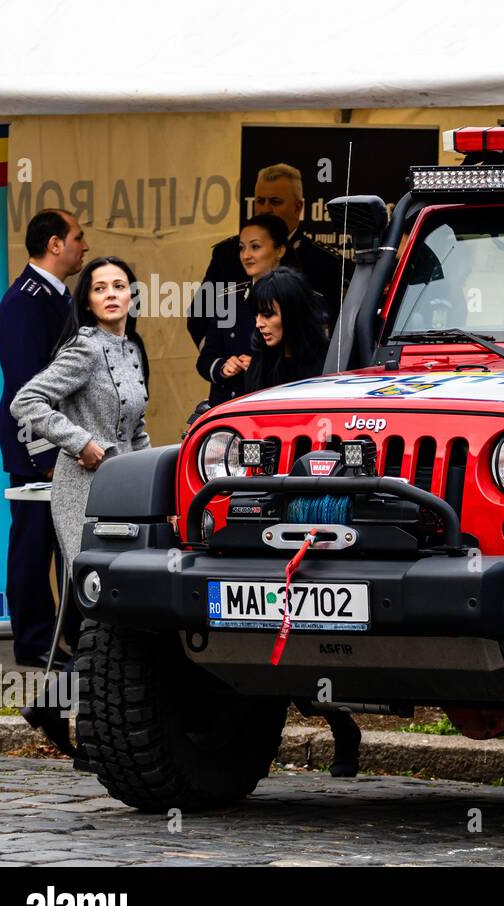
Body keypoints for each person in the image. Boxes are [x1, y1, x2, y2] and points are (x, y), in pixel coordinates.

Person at [11, 256, 150, 755]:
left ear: (132, 294)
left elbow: (134, 430)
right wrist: (79, 442)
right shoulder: (82, 350)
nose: (111, 294)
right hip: (83, 494)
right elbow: (26, 402)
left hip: (125, 495)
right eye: (100, 288)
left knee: (121, 613)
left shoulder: (132, 348)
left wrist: (151, 476)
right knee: (100, 612)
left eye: (119, 286)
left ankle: (55, 709)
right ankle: (88, 730)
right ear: (87, 300)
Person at [239, 267, 359, 775]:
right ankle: (262, 745)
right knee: (267, 631)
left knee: (304, 632)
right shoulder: (261, 359)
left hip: (314, 501)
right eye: (258, 314)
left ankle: (341, 727)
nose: (262, 324)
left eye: (270, 313)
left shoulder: (327, 357)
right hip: (267, 500)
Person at [0, 209, 88, 667]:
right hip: (39, 449)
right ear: (55, 244)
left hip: (65, 443)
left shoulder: (55, 295)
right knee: (33, 547)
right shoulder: (24, 302)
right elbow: (24, 387)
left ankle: (69, 638)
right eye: (77, 237)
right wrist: (48, 453)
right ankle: (33, 643)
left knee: (68, 544)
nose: (83, 246)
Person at [186, 163, 344, 346]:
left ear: (298, 207)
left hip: (301, 371)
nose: (266, 209)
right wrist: (220, 363)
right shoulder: (228, 254)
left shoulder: (325, 262)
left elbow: (337, 328)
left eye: (275, 202)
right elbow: (199, 314)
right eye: (260, 201)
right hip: (241, 369)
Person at [196, 214, 287, 406]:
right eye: (242, 248)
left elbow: (311, 364)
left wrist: (260, 366)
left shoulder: (300, 299)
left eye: (255, 247)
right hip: (229, 410)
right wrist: (223, 367)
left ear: (279, 250)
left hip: (275, 407)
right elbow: (205, 360)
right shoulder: (228, 300)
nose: (246, 255)